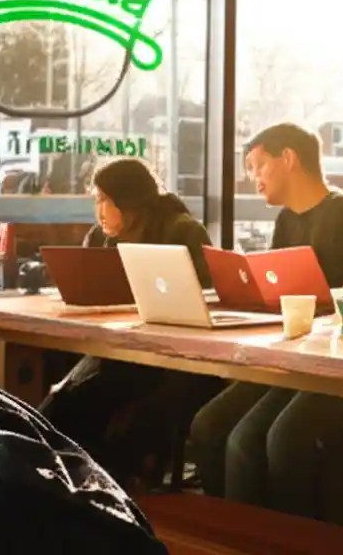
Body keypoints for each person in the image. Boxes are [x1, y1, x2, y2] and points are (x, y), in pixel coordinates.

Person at [188, 123, 343, 529]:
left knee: (269, 439)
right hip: (298, 359)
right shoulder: (286, 222)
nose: (254, 180)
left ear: (288, 158)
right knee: (209, 424)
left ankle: (284, 541)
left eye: (258, 167)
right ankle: (231, 535)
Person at [40, 157, 222, 489]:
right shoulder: (100, 239)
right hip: (114, 348)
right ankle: (59, 482)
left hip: (169, 357)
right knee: (64, 396)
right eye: (96, 200)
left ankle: (92, 487)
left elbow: (210, 296)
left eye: (105, 200)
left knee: (85, 404)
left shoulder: (179, 229)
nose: (99, 211)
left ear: (129, 200)